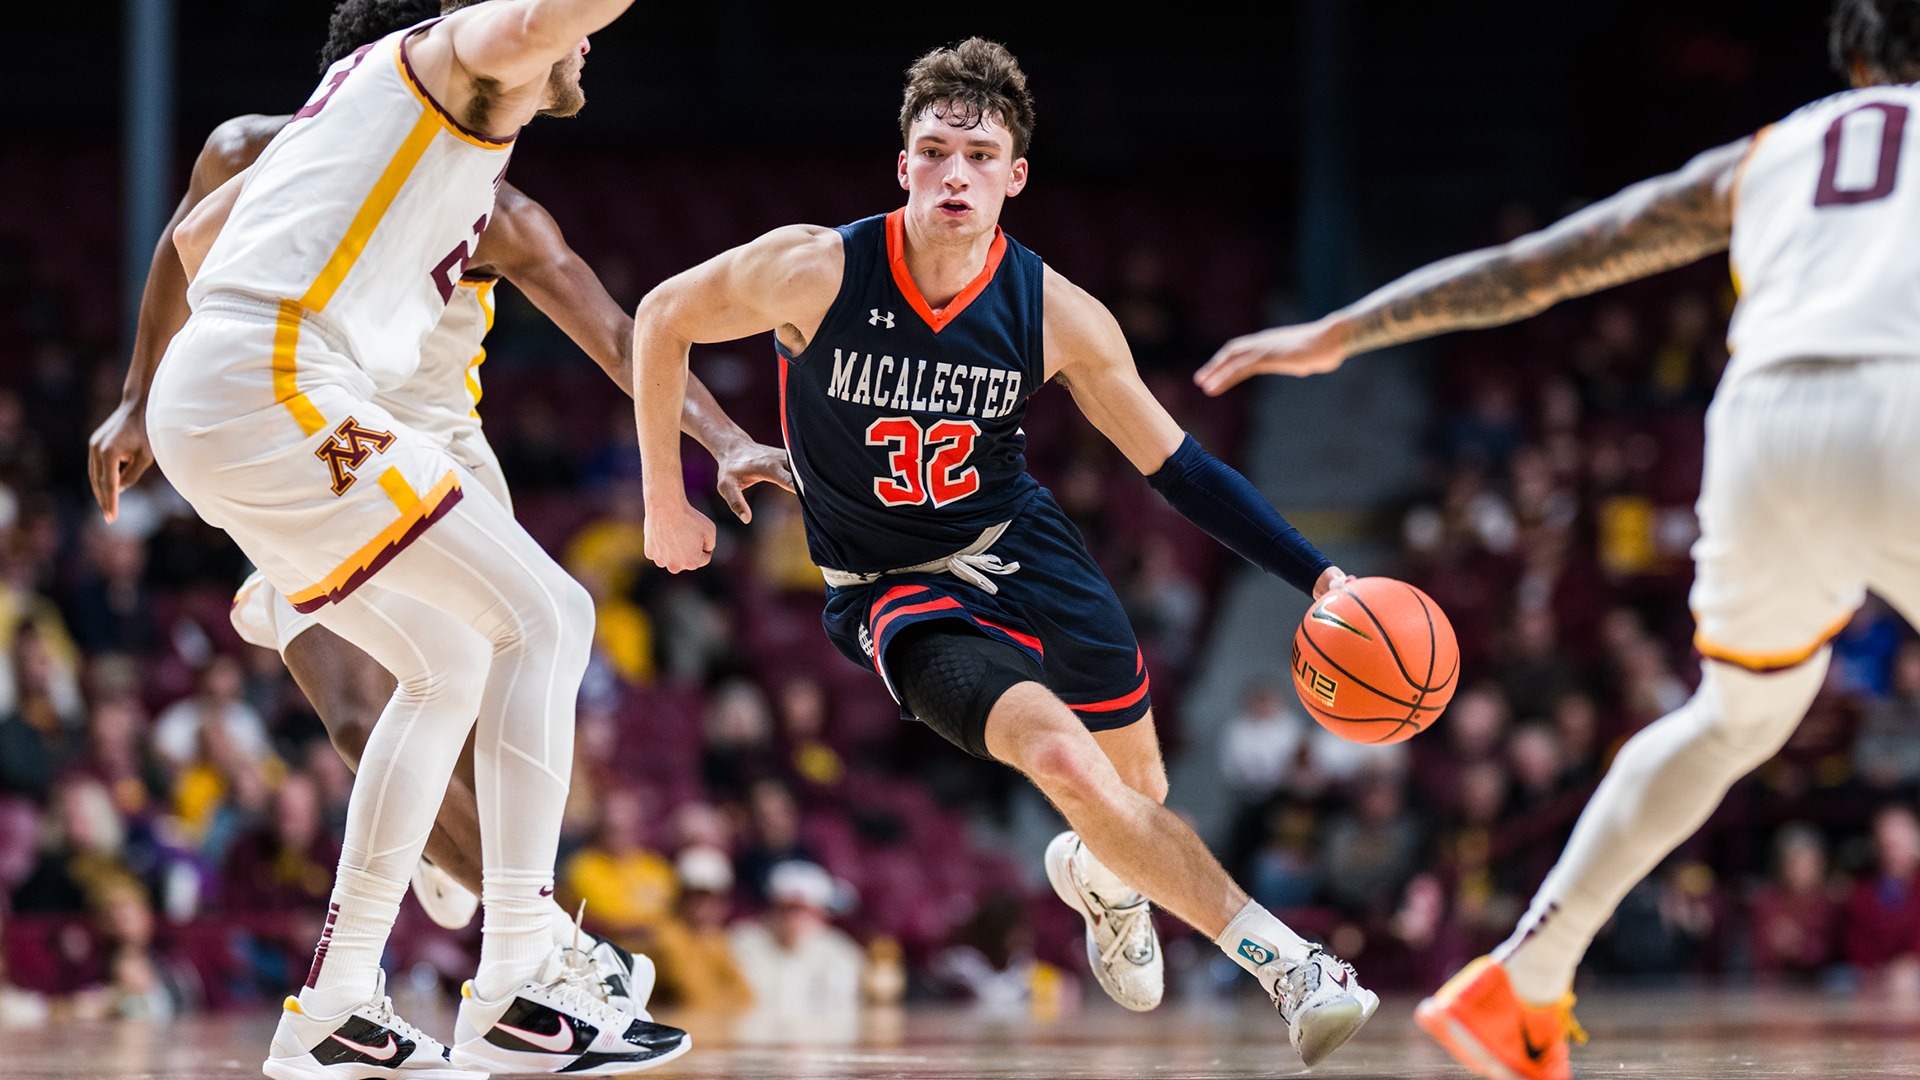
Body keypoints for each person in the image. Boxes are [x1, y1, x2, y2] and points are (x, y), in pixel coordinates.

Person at [1196, 3, 1920, 1075]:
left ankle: (1525, 979)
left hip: (1763, 419)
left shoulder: (1771, 152)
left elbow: (1541, 266)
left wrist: (1342, 329)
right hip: (1905, 397)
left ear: (1854, 61)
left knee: (1733, 716)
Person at [630, 38, 1376, 1066]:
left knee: (1135, 798)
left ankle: (1103, 882)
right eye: (933, 151)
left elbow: (1178, 466)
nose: (954, 174)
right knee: (1064, 758)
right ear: (902, 165)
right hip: (894, 590)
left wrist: (1318, 574)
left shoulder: (1053, 312)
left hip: (1021, 545)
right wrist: (663, 500)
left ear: (1015, 177)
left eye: (979, 156)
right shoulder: (816, 269)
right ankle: (1295, 967)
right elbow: (662, 316)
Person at [141, 1, 694, 1075]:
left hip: (233, 393)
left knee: (445, 664)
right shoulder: (457, 66)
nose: (587, 45)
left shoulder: (380, 119)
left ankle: (336, 1007)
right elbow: (538, 17)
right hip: (278, 380)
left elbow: (192, 240)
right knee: (551, 613)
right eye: (583, 33)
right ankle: (522, 975)